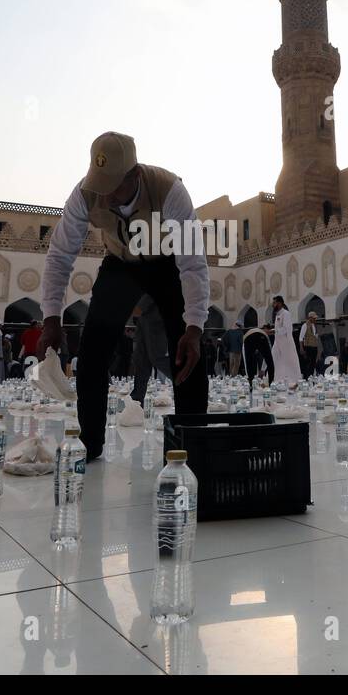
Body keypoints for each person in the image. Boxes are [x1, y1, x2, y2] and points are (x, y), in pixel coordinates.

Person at [37, 132, 208, 461]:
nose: (107, 196)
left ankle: (193, 440)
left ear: (135, 175)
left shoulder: (169, 190)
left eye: (114, 185)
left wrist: (195, 326)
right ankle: (89, 443)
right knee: (93, 351)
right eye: (101, 184)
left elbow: (192, 262)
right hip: (120, 263)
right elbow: (59, 256)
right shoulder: (85, 195)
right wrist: (51, 319)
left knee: (187, 352)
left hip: (166, 263)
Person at [130, 297, 172, 403]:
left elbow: (138, 310)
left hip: (154, 321)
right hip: (143, 320)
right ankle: (136, 402)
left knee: (158, 358)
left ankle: (187, 384)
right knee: (141, 362)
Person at [271, 296, 301, 388]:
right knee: (275, 361)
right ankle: (277, 381)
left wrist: (274, 331)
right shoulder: (277, 315)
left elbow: (287, 329)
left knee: (290, 363)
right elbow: (278, 329)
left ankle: (294, 382)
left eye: (275, 303)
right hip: (278, 342)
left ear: (280, 303)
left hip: (286, 343)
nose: (273, 305)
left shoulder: (286, 314)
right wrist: (274, 331)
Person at [298, 311, 321, 378]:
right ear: (310, 318)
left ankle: (311, 377)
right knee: (307, 364)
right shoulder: (305, 325)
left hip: (314, 347)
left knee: (313, 364)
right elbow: (301, 338)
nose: (315, 319)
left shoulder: (314, 326)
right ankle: (306, 378)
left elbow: (316, 337)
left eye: (315, 318)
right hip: (307, 347)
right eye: (314, 318)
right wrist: (301, 348)